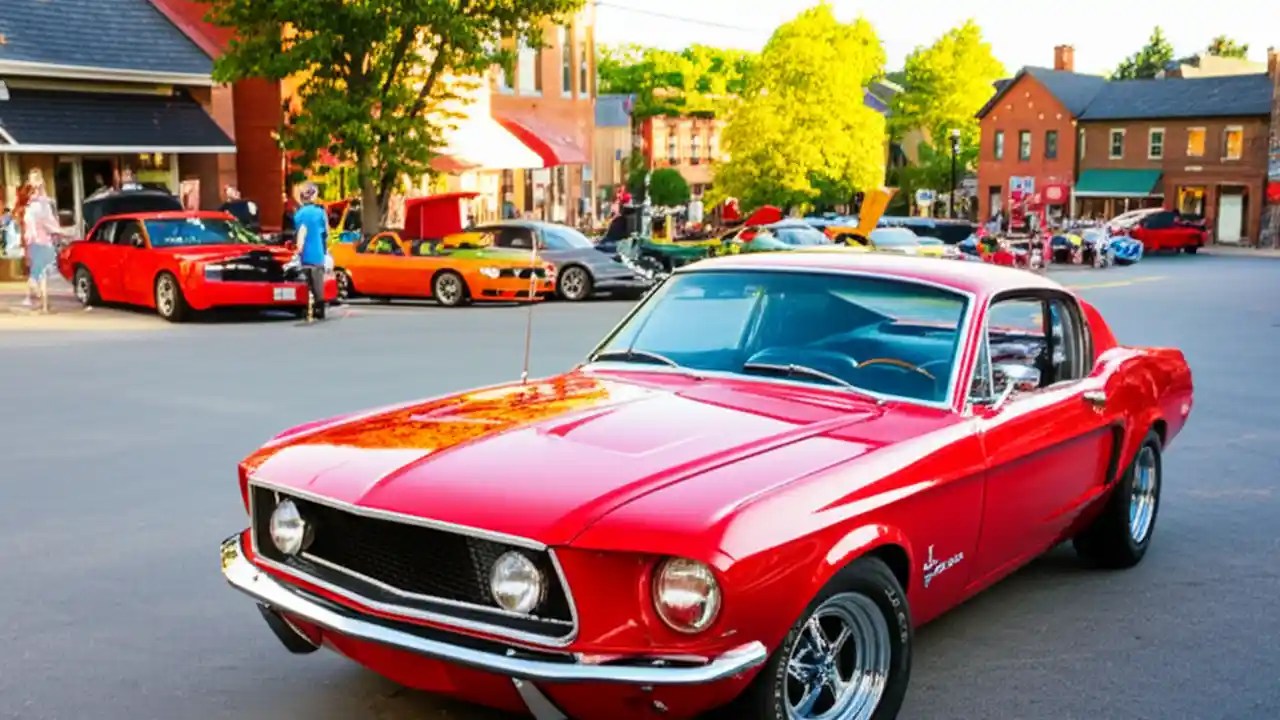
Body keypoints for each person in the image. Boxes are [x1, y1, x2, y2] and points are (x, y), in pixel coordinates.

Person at [17, 170, 63, 307]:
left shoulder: (38, 202)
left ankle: (40, 300)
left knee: (38, 273)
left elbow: (45, 220)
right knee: (39, 273)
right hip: (38, 240)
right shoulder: (36, 202)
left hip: (38, 240)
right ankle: (41, 301)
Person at [292, 182, 330, 320]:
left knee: (305, 283)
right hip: (317, 254)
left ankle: (305, 307)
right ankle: (319, 309)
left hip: (303, 255)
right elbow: (326, 234)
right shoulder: (320, 213)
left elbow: (297, 233)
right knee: (318, 284)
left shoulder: (298, 214)